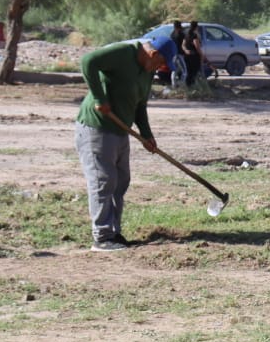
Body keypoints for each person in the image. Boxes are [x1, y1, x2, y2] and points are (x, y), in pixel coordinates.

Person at [74, 35, 179, 251]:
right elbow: (88, 62)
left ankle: (114, 233)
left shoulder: (147, 72)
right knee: (103, 181)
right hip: (97, 128)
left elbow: (140, 105)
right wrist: (99, 98)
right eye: (161, 63)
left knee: (120, 181)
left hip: (121, 130)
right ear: (153, 54)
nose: (160, 68)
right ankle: (102, 237)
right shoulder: (123, 53)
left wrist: (147, 135)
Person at [182, 22, 204, 87]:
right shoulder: (194, 35)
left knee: (189, 72)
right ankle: (191, 86)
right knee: (194, 72)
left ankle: (188, 86)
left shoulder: (186, 34)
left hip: (187, 56)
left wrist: (185, 50)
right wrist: (201, 54)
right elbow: (197, 46)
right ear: (196, 27)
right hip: (194, 56)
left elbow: (183, 45)